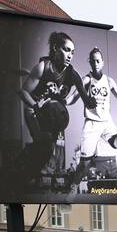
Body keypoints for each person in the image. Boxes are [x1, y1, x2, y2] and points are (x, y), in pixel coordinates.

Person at [65, 48, 117, 186]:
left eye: (98, 60)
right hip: (92, 123)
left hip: (107, 123)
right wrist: (61, 102)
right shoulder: (86, 80)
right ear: (89, 63)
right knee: (84, 164)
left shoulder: (109, 81)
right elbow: (73, 97)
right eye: (92, 61)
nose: (95, 63)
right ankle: (73, 187)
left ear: (102, 62)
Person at [20, 32, 85, 185]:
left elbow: (69, 99)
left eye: (73, 52)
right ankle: (21, 171)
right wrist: (36, 106)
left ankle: (34, 174)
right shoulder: (43, 67)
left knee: (52, 148)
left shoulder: (70, 74)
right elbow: (23, 92)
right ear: (55, 48)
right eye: (66, 50)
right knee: (45, 144)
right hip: (34, 107)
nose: (70, 55)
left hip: (51, 110)